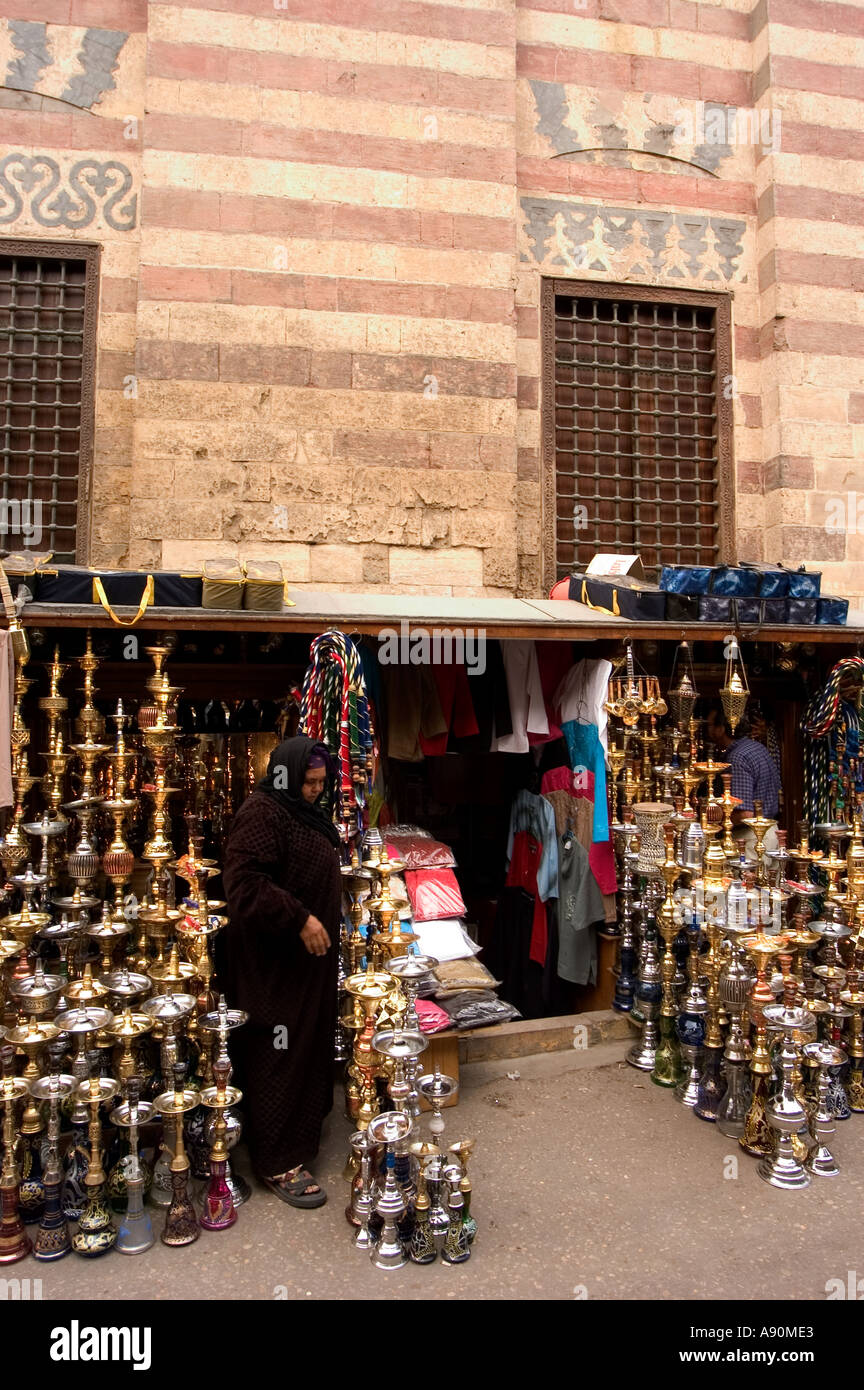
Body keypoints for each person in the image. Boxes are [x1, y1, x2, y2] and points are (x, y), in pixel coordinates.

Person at [223, 735, 341, 1208]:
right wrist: (300, 918)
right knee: (279, 1050)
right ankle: (276, 1160)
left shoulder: (300, 810)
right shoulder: (263, 812)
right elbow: (245, 884)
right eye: (309, 782)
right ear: (286, 775)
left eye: (320, 783)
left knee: (306, 1048)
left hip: (306, 964)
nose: (315, 790)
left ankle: (300, 1141)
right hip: (273, 965)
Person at [703, 703, 781, 854]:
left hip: (750, 839)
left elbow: (745, 814)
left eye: (711, 725)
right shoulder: (758, 748)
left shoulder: (737, 757)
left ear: (722, 728)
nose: (708, 730)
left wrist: (713, 820)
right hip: (770, 834)